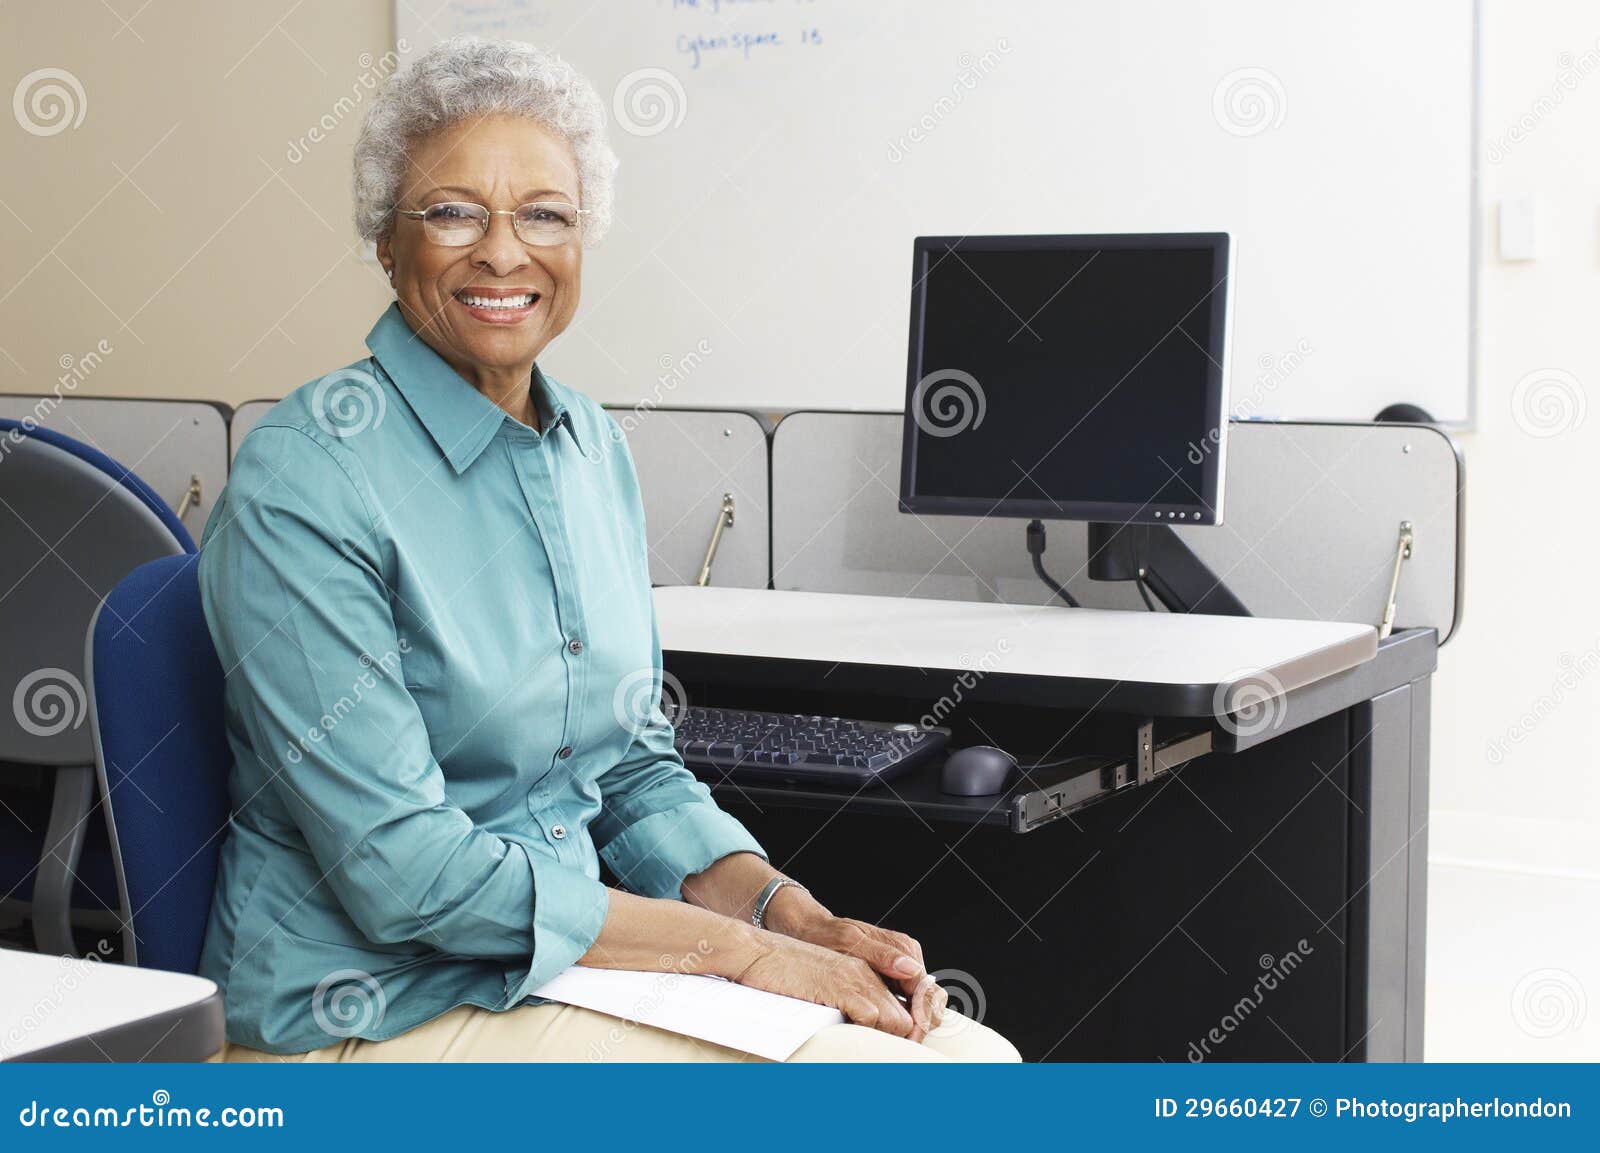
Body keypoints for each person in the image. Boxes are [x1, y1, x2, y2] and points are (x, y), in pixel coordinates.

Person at [203, 35, 1018, 1063]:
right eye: (454, 211)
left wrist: (789, 916)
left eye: (544, 214)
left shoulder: (586, 445)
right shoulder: (309, 474)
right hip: (363, 1007)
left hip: (551, 967)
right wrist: (736, 954)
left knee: (971, 1060)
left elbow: (631, 767)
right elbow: (403, 872)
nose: (504, 252)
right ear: (385, 242)